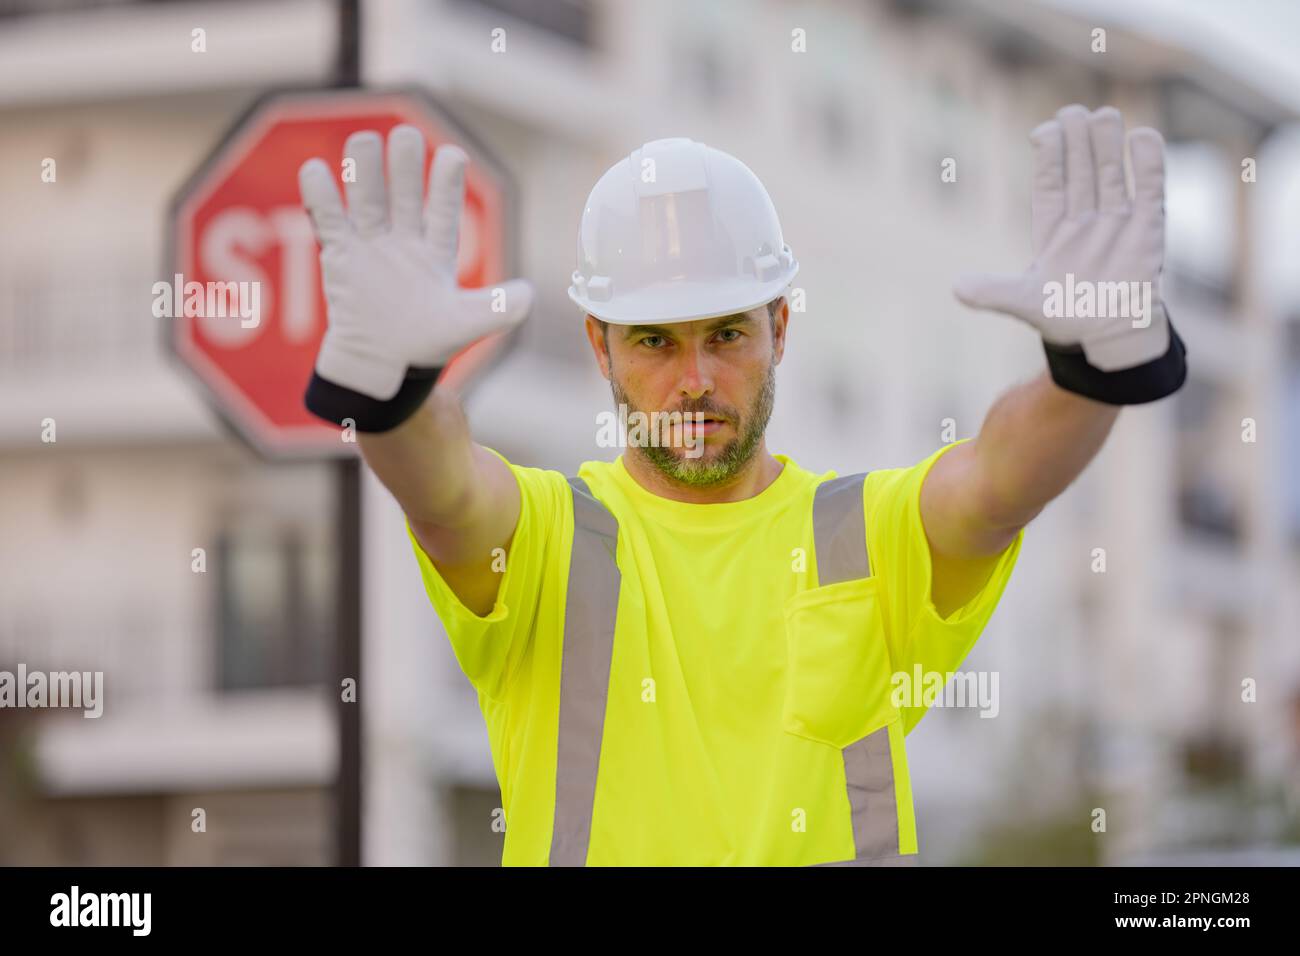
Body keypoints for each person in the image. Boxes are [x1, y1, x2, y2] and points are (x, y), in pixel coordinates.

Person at [296, 105, 1187, 866]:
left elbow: (999, 479)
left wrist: (1089, 373)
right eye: (654, 340)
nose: (695, 378)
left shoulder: (862, 535)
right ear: (599, 346)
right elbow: (445, 490)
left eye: (727, 334)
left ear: (781, 330)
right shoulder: (549, 537)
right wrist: (394, 395)